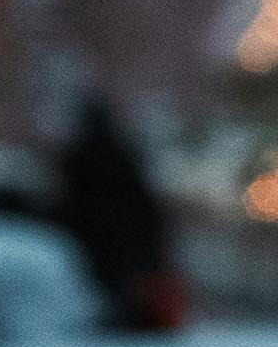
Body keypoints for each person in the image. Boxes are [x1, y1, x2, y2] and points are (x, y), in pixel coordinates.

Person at [51, 86, 184, 334]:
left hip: (93, 246)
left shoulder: (75, 160)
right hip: (124, 247)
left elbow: (65, 205)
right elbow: (146, 208)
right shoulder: (123, 157)